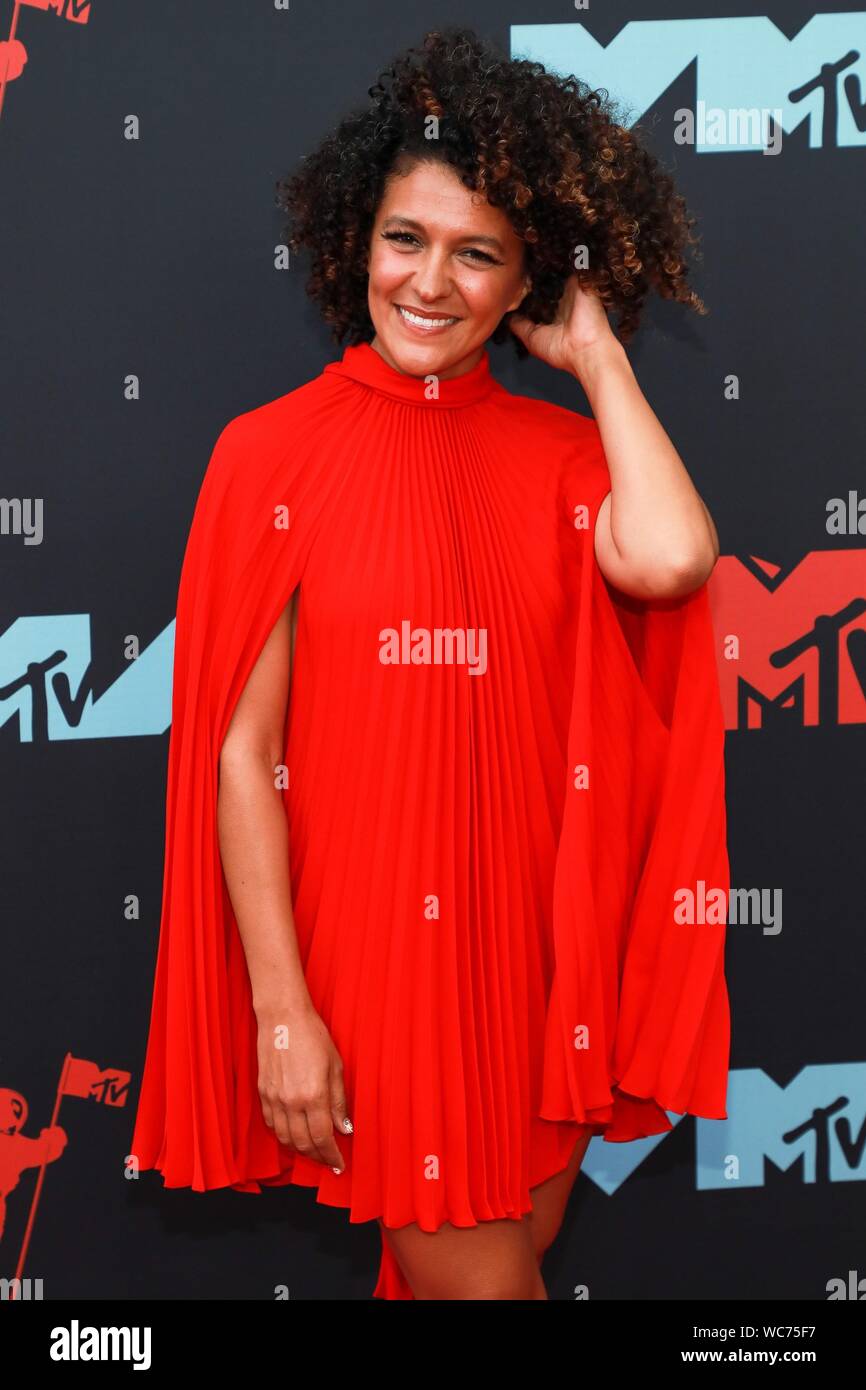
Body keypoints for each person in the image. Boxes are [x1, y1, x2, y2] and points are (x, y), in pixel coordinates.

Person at [130, 26, 730, 1301]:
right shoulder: (269, 456)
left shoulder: (565, 460)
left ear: (526, 284)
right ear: (356, 241)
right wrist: (282, 1010)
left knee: (495, 1264)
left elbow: (674, 560)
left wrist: (599, 358)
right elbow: (239, 753)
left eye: (478, 254)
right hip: (375, 974)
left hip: (534, 964)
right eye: (405, 238)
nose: (430, 282)